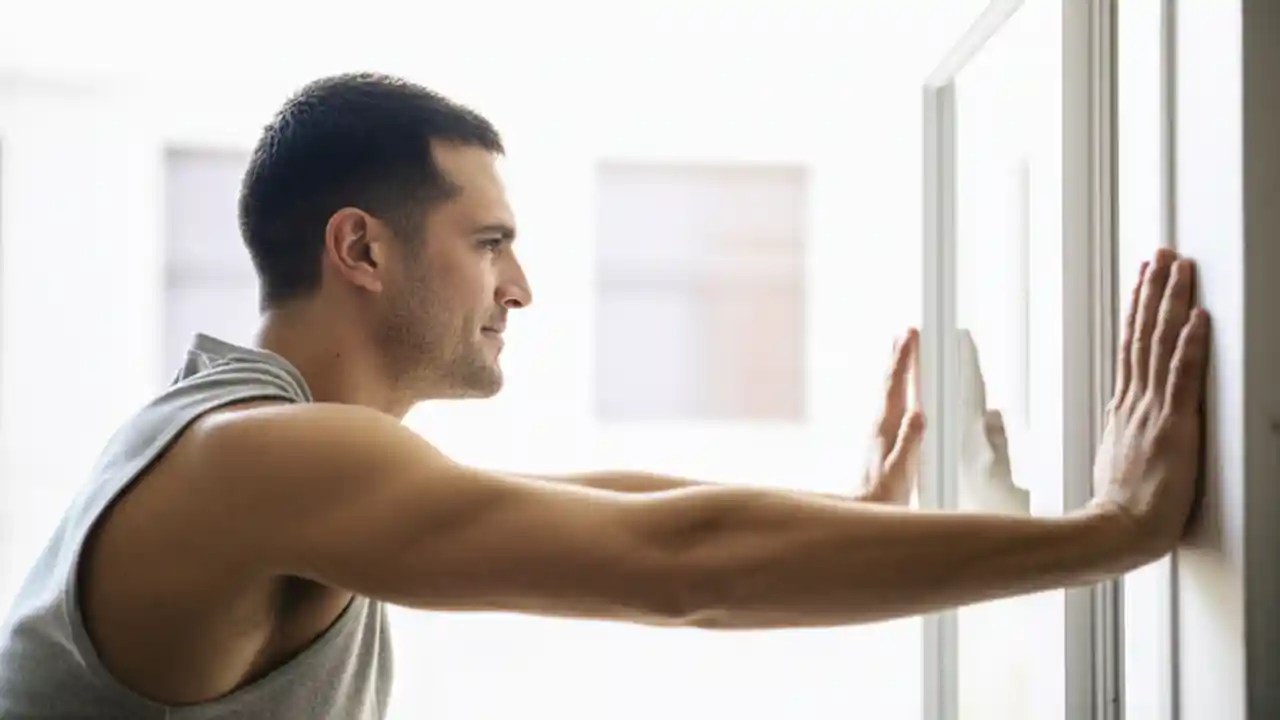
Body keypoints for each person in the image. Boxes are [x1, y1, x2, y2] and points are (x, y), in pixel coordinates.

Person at [0, 72, 1210, 719]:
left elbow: (600, 503)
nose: (518, 288)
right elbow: (674, 561)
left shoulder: (255, 441)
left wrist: (855, 509)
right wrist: (1109, 534)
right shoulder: (257, 456)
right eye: (488, 243)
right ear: (360, 251)